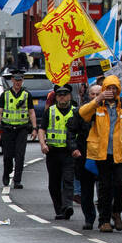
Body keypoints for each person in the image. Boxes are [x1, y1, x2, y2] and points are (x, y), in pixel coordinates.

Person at [77, 74, 122, 232]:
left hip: (120, 153)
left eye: (114, 88)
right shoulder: (98, 104)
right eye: (108, 88)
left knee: (121, 184)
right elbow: (82, 114)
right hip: (101, 153)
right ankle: (104, 220)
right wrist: (98, 99)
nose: (111, 91)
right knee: (104, 187)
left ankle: (116, 212)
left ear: (118, 89)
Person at [38, 83, 77, 220]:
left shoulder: (76, 110)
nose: (62, 97)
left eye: (65, 95)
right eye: (59, 95)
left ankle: (67, 206)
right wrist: (43, 144)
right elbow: (42, 129)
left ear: (69, 96)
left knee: (68, 180)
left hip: (69, 152)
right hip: (53, 152)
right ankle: (59, 209)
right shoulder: (51, 111)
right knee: (54, 183)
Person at [0, 68, 36, 189]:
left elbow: (31, 112)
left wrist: (34, 128)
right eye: (16, 80)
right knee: (7, 155)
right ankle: (6, 172)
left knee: (20, 155)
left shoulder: (26, 94)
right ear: (12, 80)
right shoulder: (5, 95)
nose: (18, 82)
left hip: (22, 129)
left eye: (20, 80)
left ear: (22, 81)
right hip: (7, 129)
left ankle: (17, 180)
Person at [67, 83, 97, 230]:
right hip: (85, 155)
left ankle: (105, 218)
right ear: (88, 95)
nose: (96, 98)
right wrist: (74, 149)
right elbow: (71, 132)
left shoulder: (108, 111)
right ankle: (89, 218)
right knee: (86, 191)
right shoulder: (80, 112)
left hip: (104, 156)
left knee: (106, 189)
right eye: (93, 94)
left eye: (99, 94)